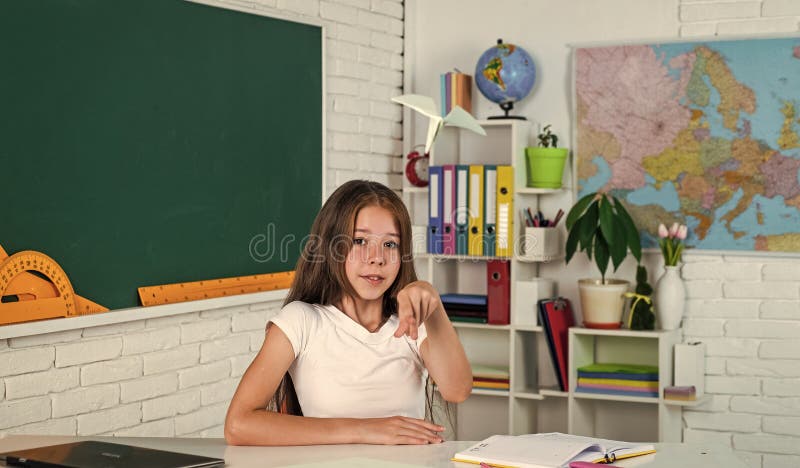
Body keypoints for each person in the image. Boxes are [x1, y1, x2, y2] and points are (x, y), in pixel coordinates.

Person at [224, 180, 472, 446]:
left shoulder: (411, 324)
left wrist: (433, 304)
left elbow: (457, 390)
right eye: (360, 240)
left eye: (390, 245)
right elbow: (239, 425)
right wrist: (365, 431)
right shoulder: (301, 321)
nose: (377, 258)